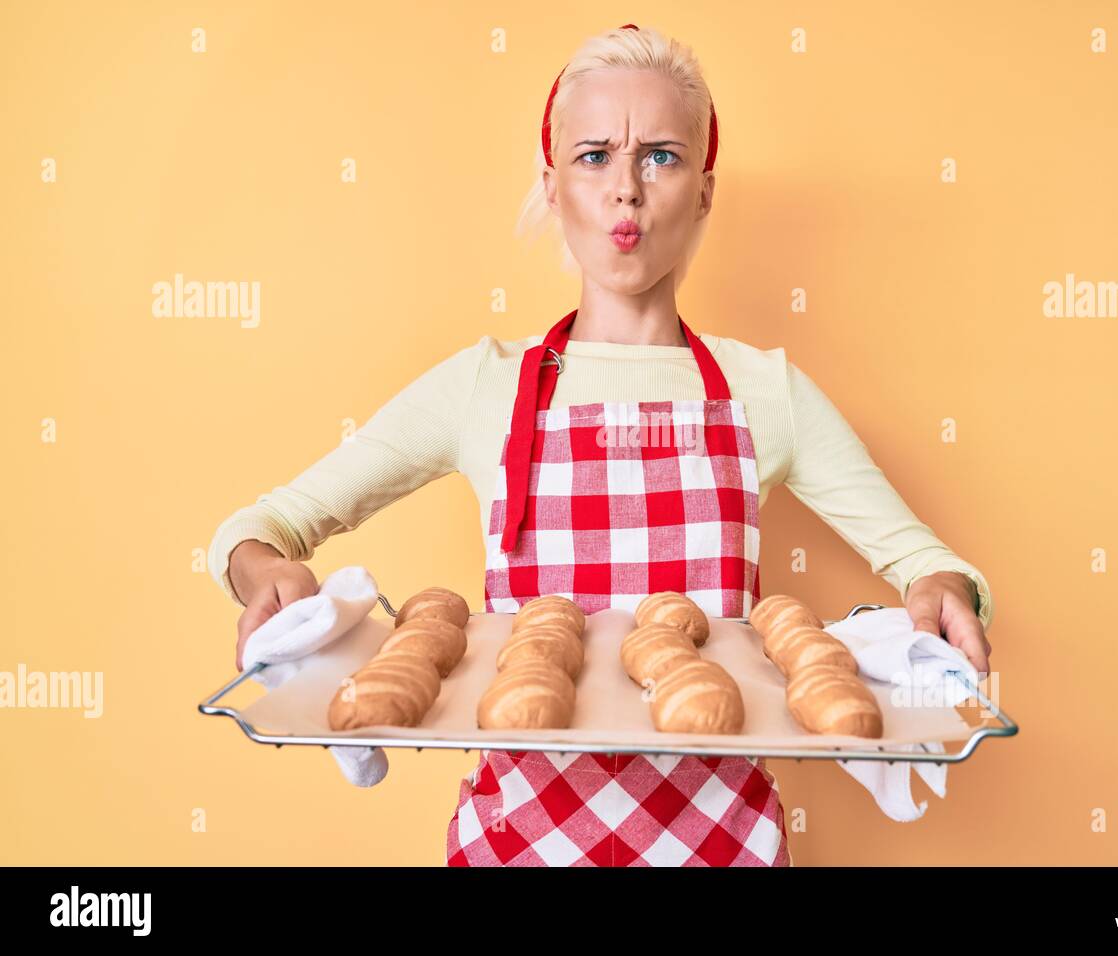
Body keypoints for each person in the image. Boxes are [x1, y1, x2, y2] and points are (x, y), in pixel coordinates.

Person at [209, 23, 993, 867]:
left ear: (703, 191)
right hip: (517, 841)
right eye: (593, 156)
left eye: (660, 155)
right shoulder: (486, 386)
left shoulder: (765, 393)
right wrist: (265, 573)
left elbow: (933, 569)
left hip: (721, 842)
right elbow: (259, 531)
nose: (627, 189)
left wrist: (946, 598)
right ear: (553, 188)